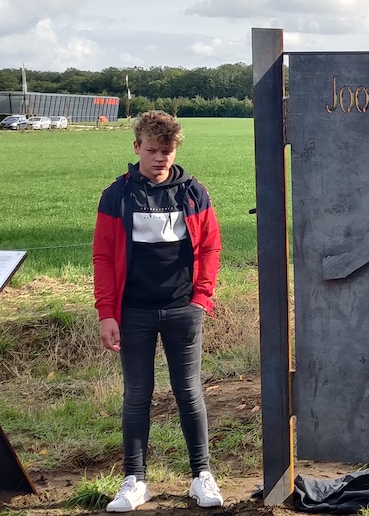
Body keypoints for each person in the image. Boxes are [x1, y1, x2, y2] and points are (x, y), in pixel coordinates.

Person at [92, 110, 225, 512]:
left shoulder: (194, 193)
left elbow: (211, 247)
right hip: (133, 313)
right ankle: (135, 481)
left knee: (189, 392)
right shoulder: (116, 196)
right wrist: (106, 312)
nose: (160, 158)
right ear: (137, 148)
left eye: (167, 151)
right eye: (152, 150)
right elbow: (103, 256)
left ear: (174, 150)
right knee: (137, 395)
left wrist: (202, 298)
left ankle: (201, 476)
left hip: (183, 310)